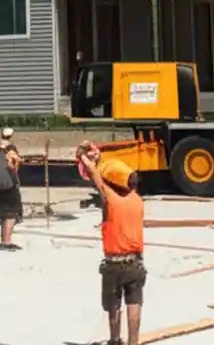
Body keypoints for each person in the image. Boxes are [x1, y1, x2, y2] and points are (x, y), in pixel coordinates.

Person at [78, 145, 146, 345]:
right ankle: (133, 342)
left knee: (113, 304)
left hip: (113, 262)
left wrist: (83, 156)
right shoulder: (138, 200)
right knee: (135, 302)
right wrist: (99, 159)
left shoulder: (111, 200)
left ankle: (115, 340)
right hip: (135, 261)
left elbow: (95, 178)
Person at [0, 126, 22, 250]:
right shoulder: (10, 149)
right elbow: (13, 164)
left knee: (4, 213)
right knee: (12, 214)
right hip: (9, 183)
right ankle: (7, 242)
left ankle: (3, 240)